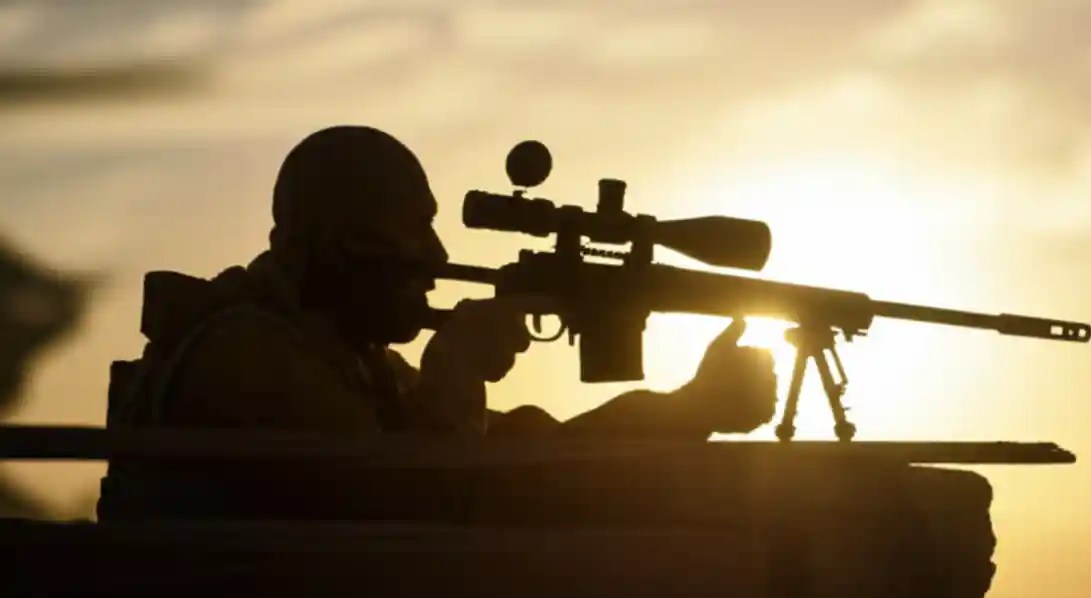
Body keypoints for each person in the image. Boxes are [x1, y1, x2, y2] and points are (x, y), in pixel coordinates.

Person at [98, 126, 777, 519]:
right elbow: (417, 504)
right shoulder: (246, 353)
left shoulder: (346, 355)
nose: (438, 257)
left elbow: (526, 462)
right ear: (339, 244)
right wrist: (454, 373)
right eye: (415, 229)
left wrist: (687, 409)